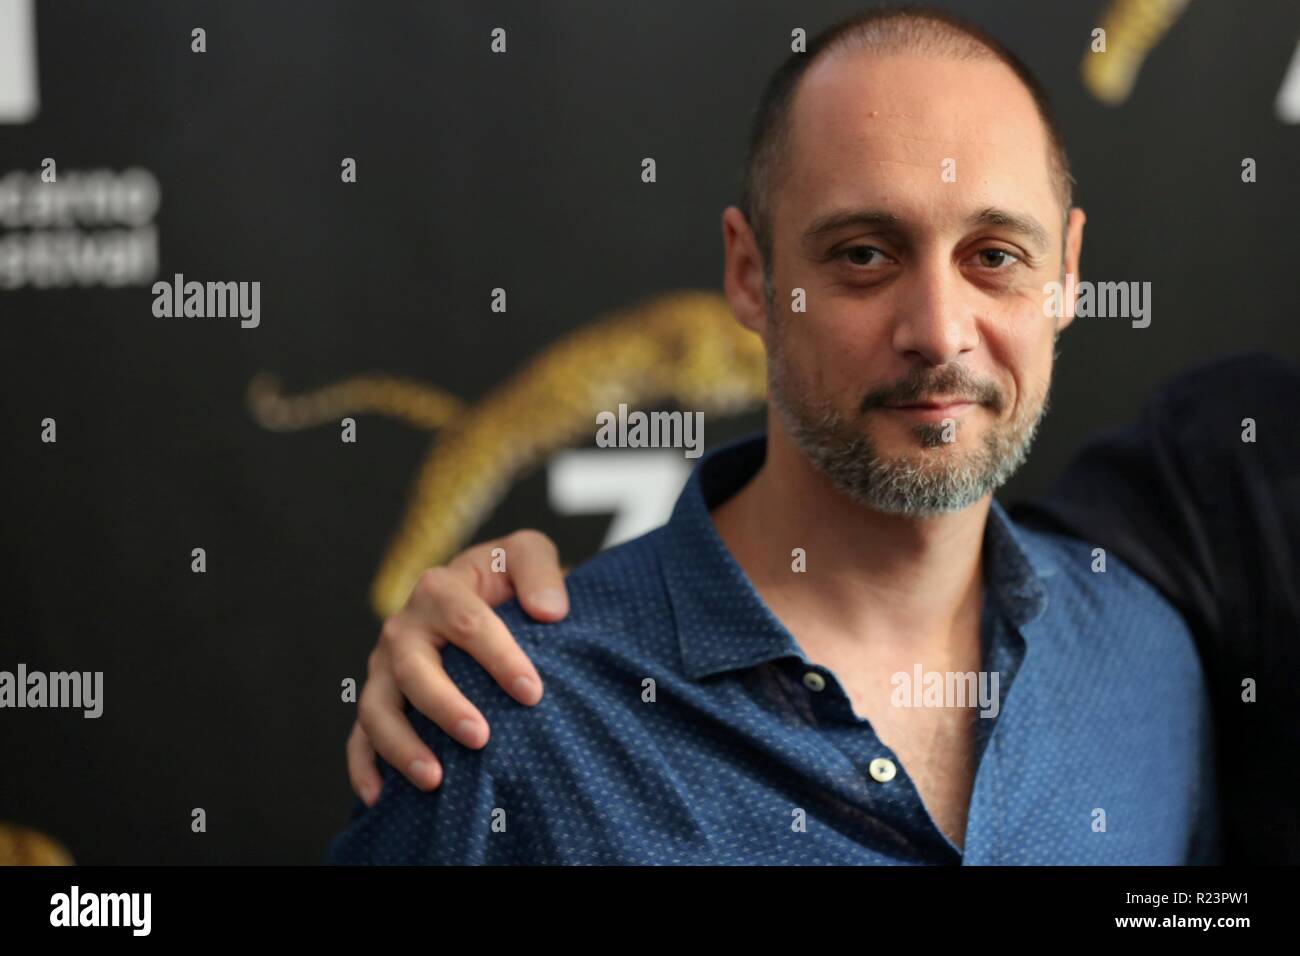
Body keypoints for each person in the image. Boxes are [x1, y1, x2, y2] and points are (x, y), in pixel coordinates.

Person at [328, 6, 1219, 865]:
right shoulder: (508, 716)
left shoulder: (1147, 665)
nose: (939, 330)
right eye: (865, 255)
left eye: (994, 256)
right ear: (751, 275)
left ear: (1065, 276)